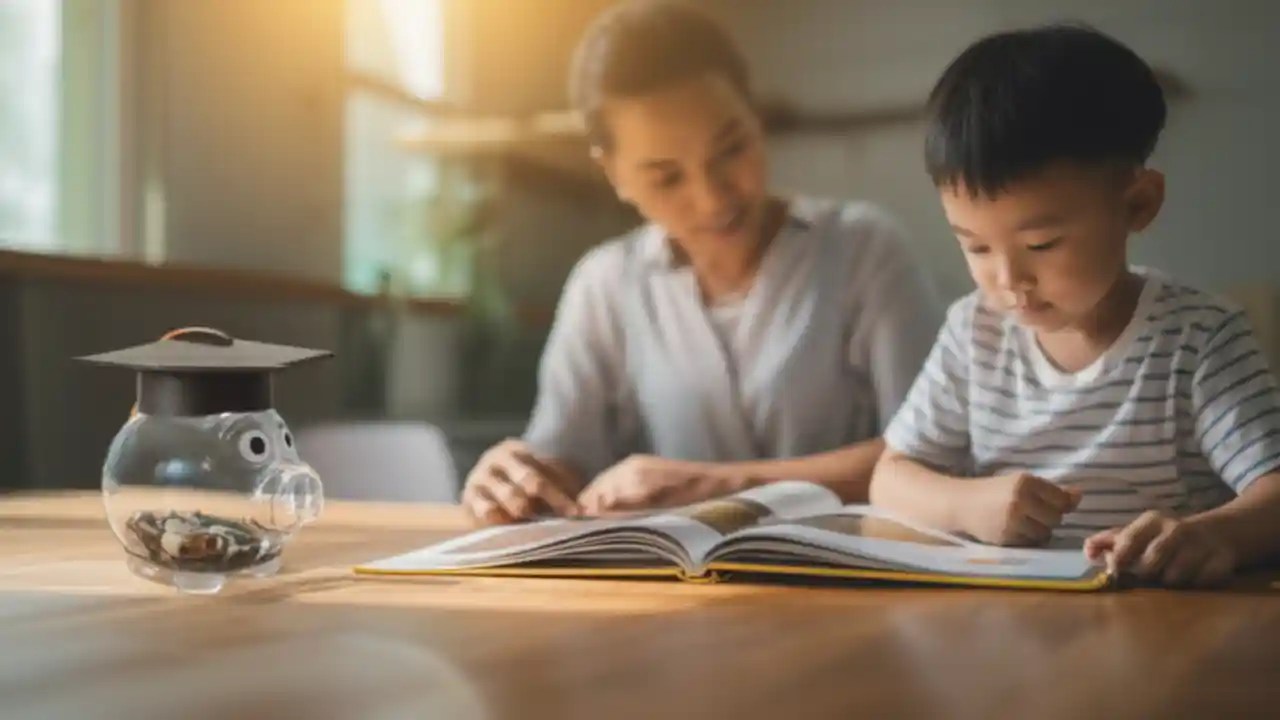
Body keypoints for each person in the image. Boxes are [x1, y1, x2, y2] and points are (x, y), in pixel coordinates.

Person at [463, 0, 939, 524]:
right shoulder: (604, 285)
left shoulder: (864, 250)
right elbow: (561, 461)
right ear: (614, 174)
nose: (713, 199)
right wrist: (513, 477)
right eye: (667, 177)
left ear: (754, 115)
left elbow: (932, 453)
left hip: (848, 582)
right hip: (669, 593)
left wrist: (721, 485)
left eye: (731, 149)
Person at [869, 25, 1280, 587]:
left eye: (1041, 245)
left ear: (1137, 204)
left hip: (1167, 625)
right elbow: (890, 478)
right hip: (1009, 623)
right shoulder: (974, 332)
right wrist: (968, 505)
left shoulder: (1198, 338)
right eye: (976, 246)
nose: (1009, 280)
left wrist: (1217, 534)